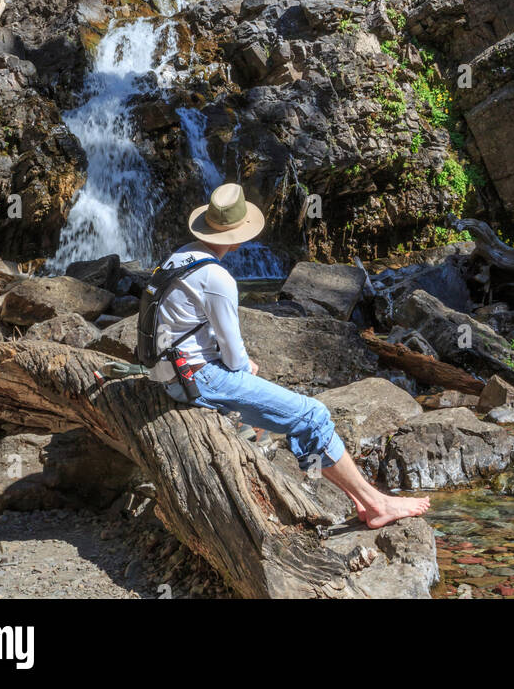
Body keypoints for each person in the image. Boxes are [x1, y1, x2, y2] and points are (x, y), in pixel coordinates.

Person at [157, 181, 430, 530]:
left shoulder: (179, 258)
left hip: (169, 373)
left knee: (290, 413)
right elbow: (232, 351)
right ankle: (377, 503)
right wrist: (244, 370)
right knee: (313, 414)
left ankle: (362, 501)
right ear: (239, 236)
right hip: (197, 379)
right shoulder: (217, 278)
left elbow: (186, 325)